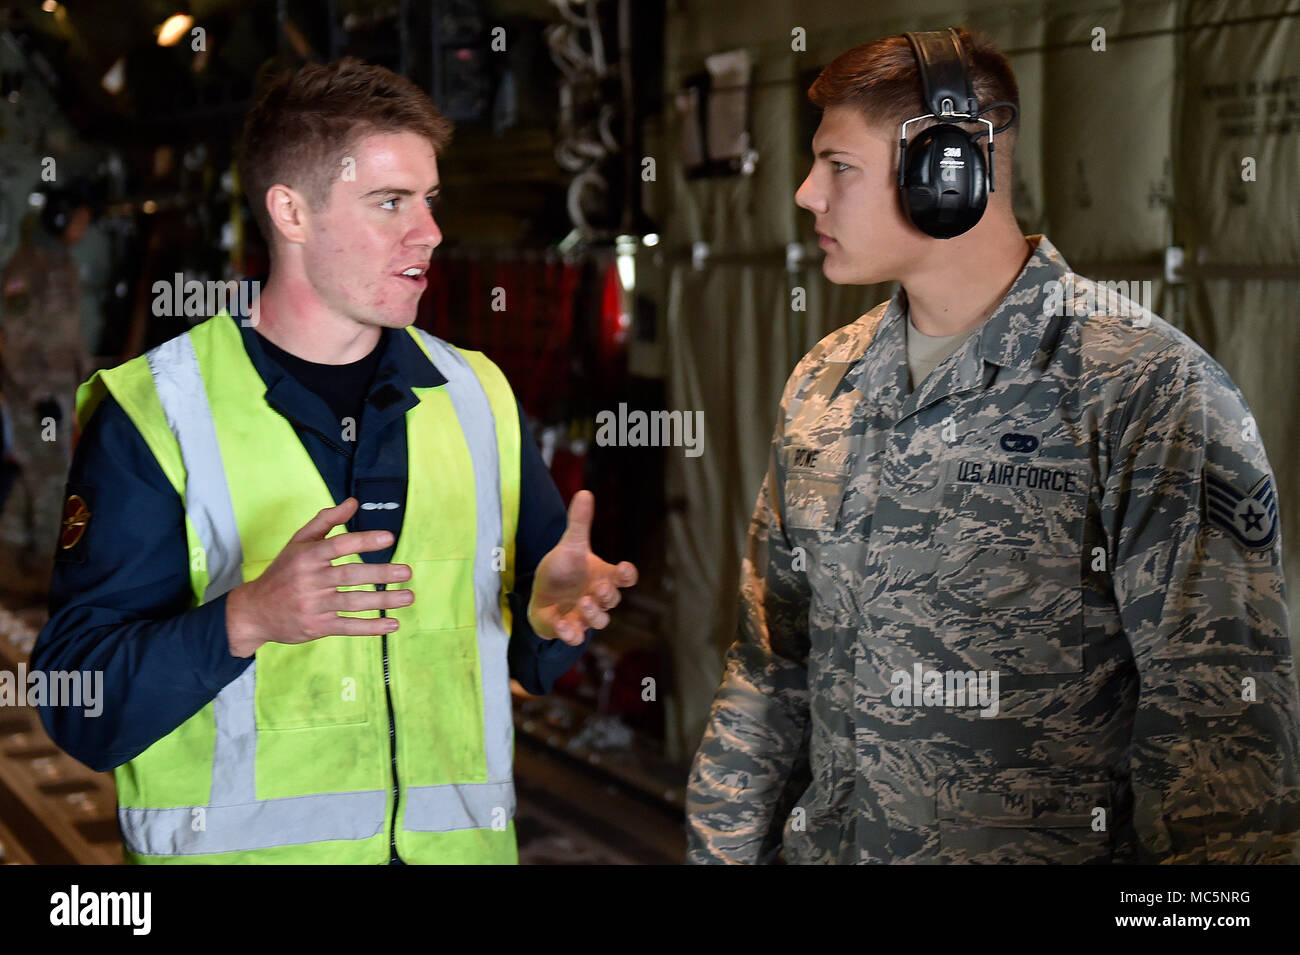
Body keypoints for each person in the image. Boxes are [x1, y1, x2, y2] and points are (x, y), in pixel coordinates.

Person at [687, 26, 1299, 864]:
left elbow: (1223, 731)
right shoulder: (825, 381)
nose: (805, 194)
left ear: (946, 171)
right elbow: (769, 665)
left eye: (838, 166)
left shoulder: (1145, 390)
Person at [30, 57, 637, 865]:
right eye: (390, 203)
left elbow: (523, 656)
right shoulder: (159, 414)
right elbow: (82, 706)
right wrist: (244, 619)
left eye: (428, 200)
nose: (429, 232)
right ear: (292, 212)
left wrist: (549, 618)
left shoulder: (475, 395)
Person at [0, 185, 95, 605]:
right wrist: (40, 395)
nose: (83, 229)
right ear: (59, 218)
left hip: (60, 392)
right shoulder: (24, 268)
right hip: (35, 396)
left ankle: (9, 554)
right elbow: (13, 339)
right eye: (79, 220)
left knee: (39, 473)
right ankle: (41, 568)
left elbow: (67, 336)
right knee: (51, 476)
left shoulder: (63, 264)